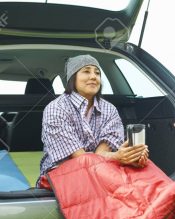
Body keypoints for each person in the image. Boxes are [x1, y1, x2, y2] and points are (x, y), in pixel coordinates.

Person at [37, 54, 148, 187]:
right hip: (63, 173)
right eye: (86, 71)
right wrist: (116, 157)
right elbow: (80, 159)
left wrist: (130, 156)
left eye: (97, 73)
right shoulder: (56, 108)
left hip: (101, 169)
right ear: (73, 78)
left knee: (145, 170)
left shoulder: (109, 109)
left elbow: (101, 153)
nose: (93, 77)